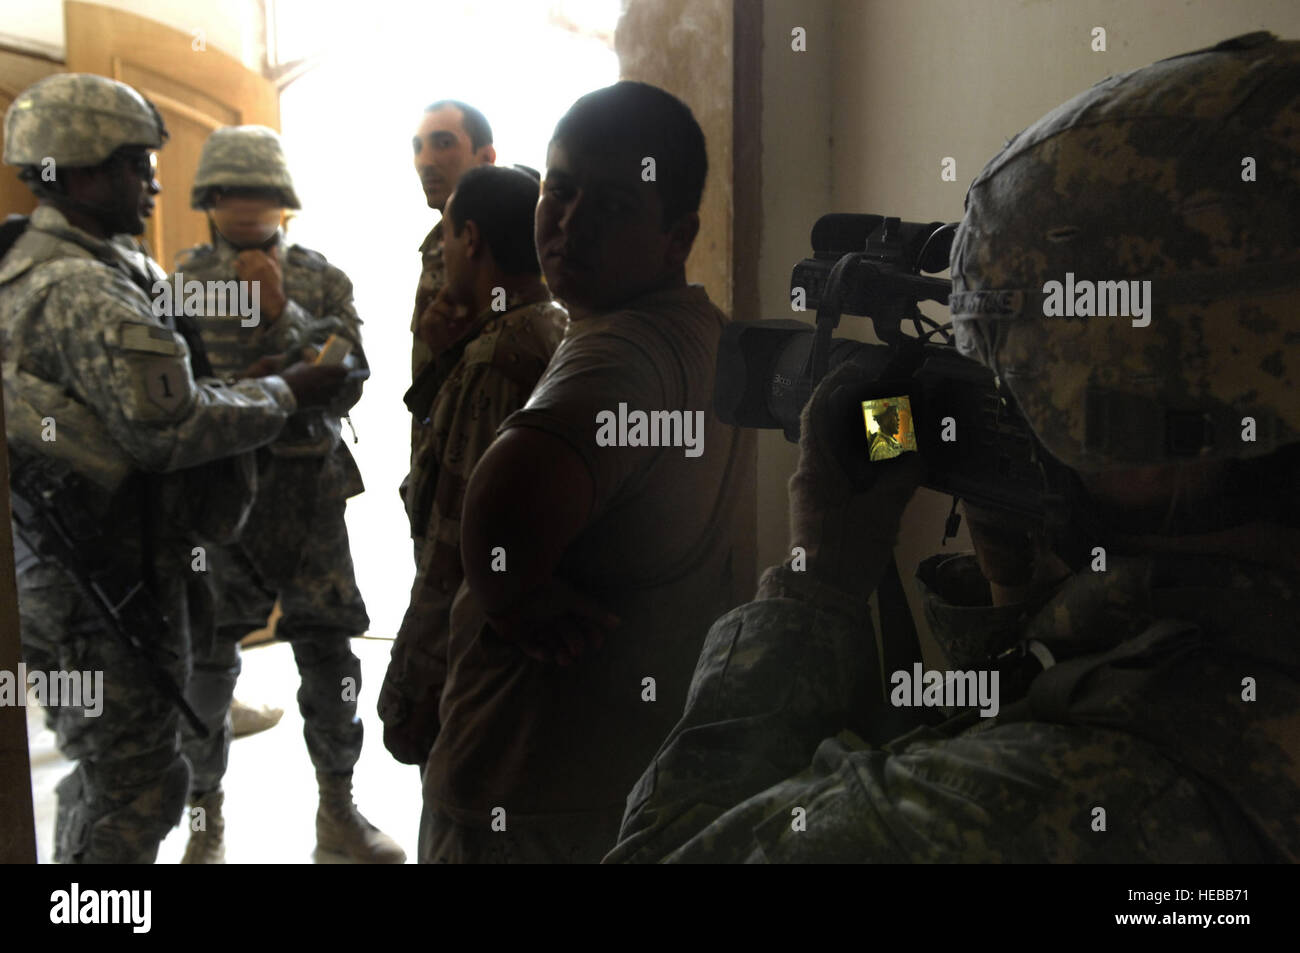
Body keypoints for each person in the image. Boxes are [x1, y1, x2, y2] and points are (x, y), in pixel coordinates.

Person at [606, 32, 1300, 863]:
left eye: (1011, 376)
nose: (1002, 403)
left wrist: (814, 587)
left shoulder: (1015, 807)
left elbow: (664, 848)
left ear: (1144, 455)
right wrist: (1023, 590)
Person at [0, 74, 345, 864]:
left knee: (107, 774)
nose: (154, 180)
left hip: (109, 569)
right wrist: (283, 388)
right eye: (133, 164)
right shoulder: (83, 289)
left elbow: (161, 402)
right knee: (141, 785)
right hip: (96, 587)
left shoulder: (93, 267)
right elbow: (172, 428)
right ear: (78, 171)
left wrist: (259, 363)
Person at [420, 81, 745, 863]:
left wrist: (510, 591)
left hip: (526, 787)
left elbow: (502, 502)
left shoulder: (619, 351)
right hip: (607, 776)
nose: (568, 224)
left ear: (678, 234)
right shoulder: (691, 328)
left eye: (611, 206)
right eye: (558, 191)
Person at [173, 125, 403, 864]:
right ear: (208, 199)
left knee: (330, 660)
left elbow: (354, 373)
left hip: (308, 497)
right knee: (207, 667)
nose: (246, 205)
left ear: (284, 201)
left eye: (261, 191)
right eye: (231, 191)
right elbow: (171, 396)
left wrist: (281, 312)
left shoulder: (320, 277)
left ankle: (338, 812)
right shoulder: (179, 280)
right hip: (219, 504)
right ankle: (205, 826)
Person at [379, 165, 567, 768]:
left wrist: (413, 685)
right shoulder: (551, 325)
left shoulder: (495, 362)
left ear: (470, 241)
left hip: (481, 669)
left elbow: (455, 551)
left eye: (447, 232)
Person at [402, 100, 496, 555]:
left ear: (486, 157)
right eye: (419, 147)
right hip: (436, 463)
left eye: (444, 143)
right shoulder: (438, 245)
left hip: (483, 477)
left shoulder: (510, 247)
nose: (427, 160)